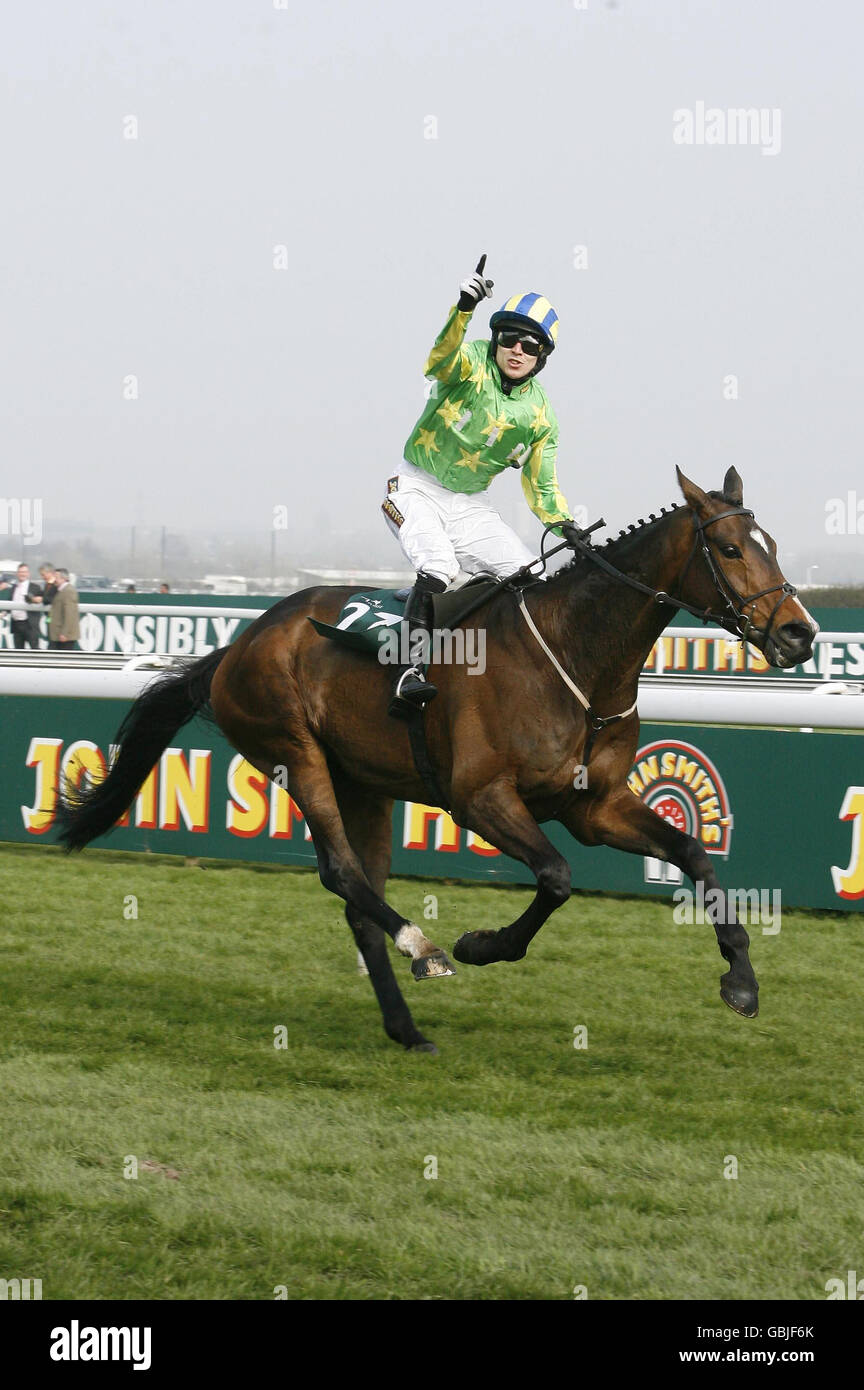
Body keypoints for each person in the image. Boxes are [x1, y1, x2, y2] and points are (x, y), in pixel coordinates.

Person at [383, 255, 583, 718]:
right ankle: (409, 673)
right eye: (510, 338)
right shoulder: (470, 361)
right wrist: (463, 308)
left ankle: (503, 673)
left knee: (528, 575)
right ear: (495, 339)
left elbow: (541, 481)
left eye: (530, 346)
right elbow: (439, 361)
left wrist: (564, 523)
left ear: (541, 358)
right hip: (413, 488)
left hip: (470, 506)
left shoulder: (541, 415)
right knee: (437, 566)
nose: (517, 350)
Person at [0, 562, 43, 648]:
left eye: (24, 572)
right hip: (17, 625)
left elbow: (42, 600)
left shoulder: (35, 587)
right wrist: (3, 613)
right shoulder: (14, 588)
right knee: (18, 651)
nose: (22, 574)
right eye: (20, 572)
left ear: (28, 574)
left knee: (35, 650)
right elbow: (10, 603)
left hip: (30, 625)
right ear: (17, 574)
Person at [48, 568, 80, 650]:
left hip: (65, 636)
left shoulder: (69, 591)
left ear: (64, 578)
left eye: (56, 577)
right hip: (57, 634)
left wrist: (64, 633)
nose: (54, 579)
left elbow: (69, 614)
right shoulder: (60, 590)